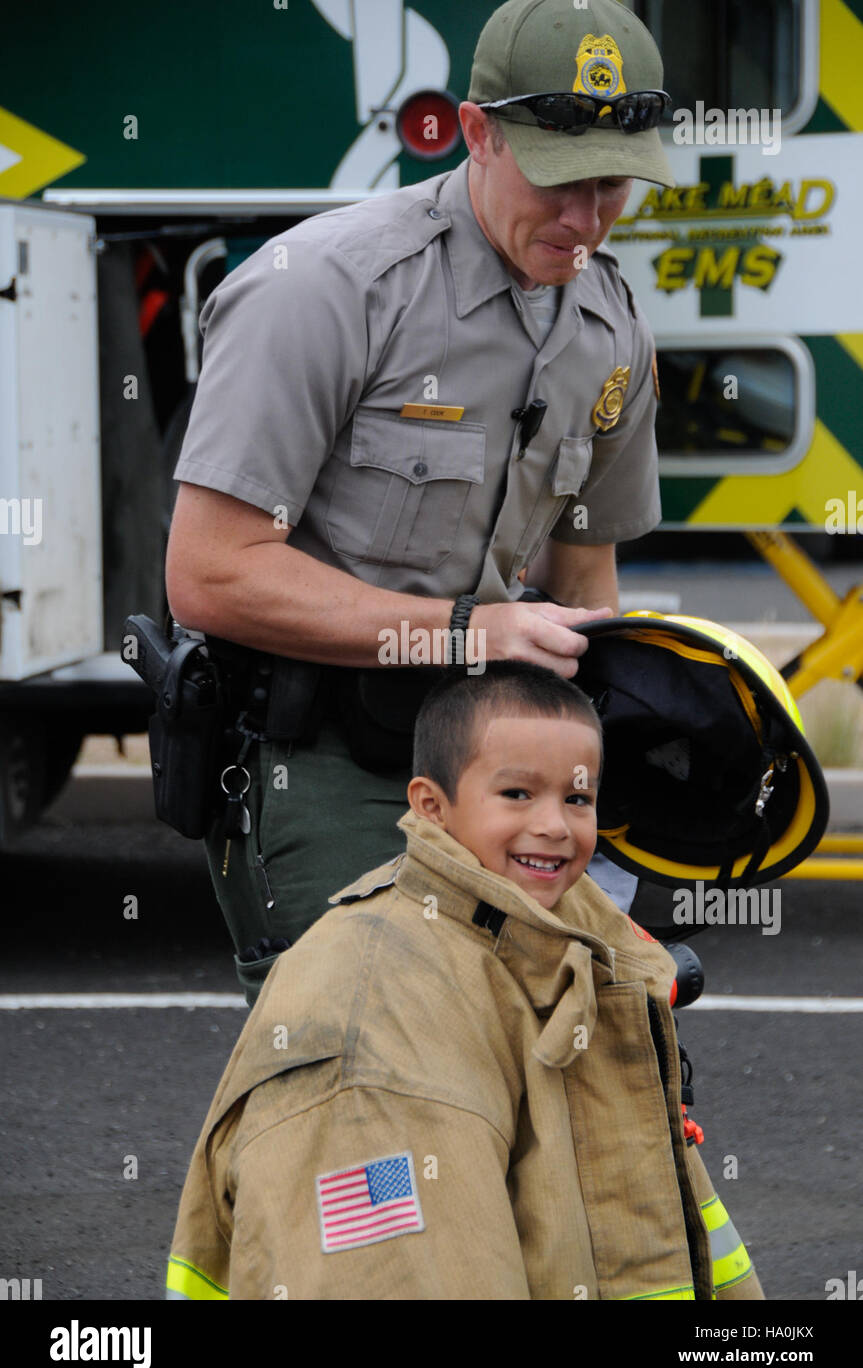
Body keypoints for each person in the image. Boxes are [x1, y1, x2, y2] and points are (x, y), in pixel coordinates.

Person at [165, 0, 676, 1000]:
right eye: (559, 181)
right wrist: (467, 632)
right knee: (375, 1076)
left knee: (553, 1055)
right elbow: (209, 573)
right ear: (475, 132)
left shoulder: (610, 325)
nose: (583, 221)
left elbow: (583, 584)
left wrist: (588, 800)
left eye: (611, 185)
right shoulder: (323, 289)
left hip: (499, 769)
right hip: (316, 758)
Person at [166, 662, 763, 1301]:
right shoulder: (371, 1032)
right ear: (431, 806)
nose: (555, 826)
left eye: (578, 797)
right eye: (517, 795)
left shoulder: (577, 954)